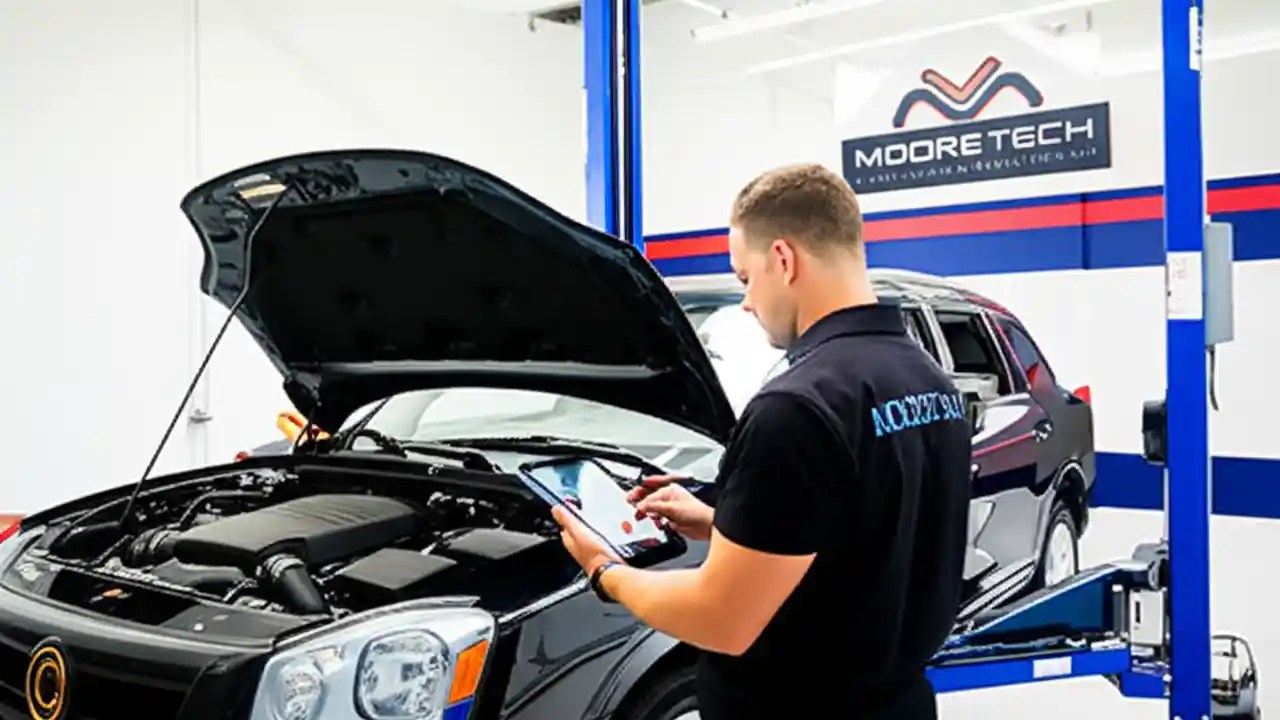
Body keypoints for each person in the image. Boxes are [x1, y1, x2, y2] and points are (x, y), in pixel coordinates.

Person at [551, 162, 973, 719]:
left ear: (782, 259)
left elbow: (721, 619)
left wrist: (607, 572)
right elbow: (861, 532)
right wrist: (718, 521)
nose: (747, 302)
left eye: (746, 277)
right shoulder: (928, 381)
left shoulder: (796, 407)